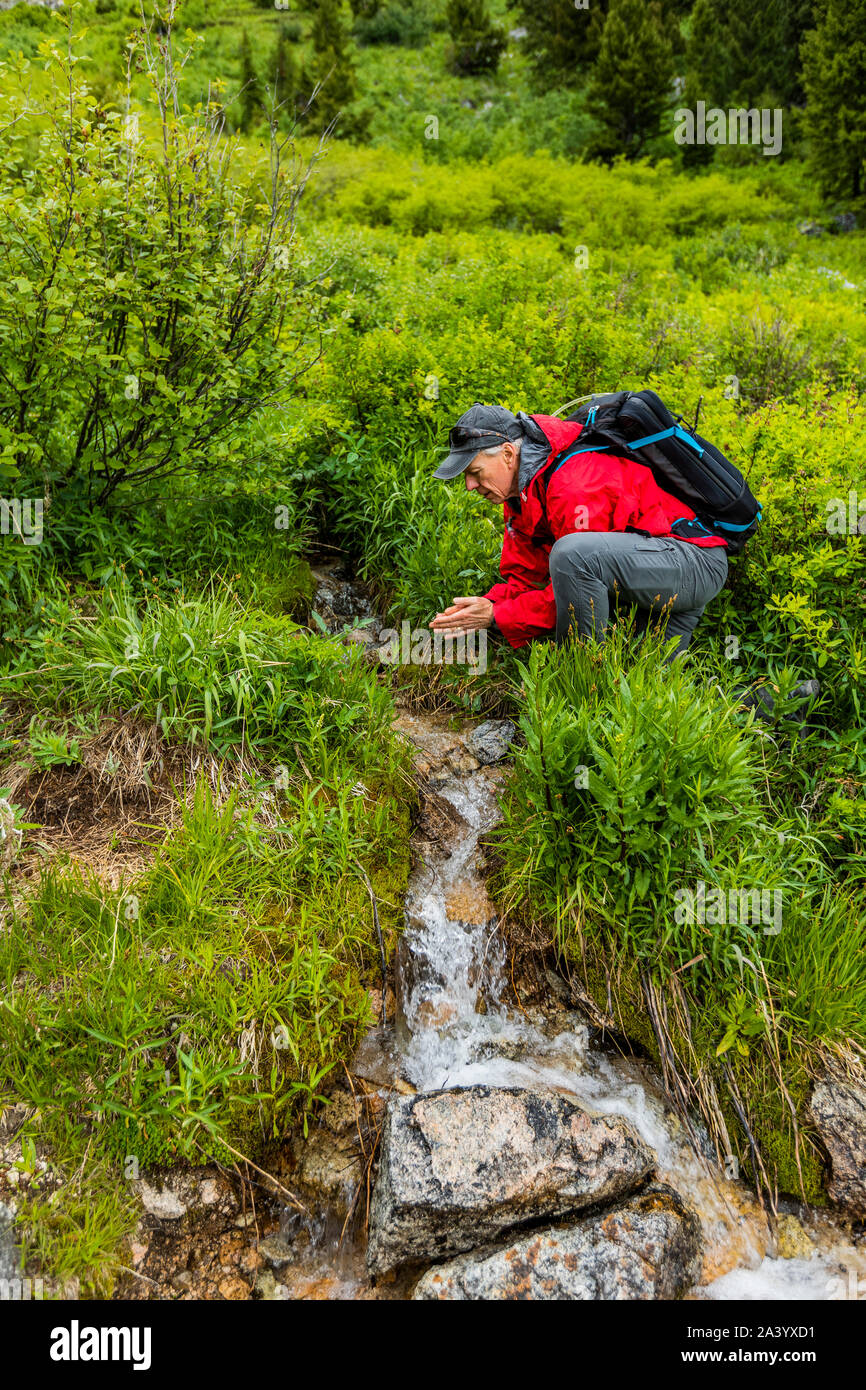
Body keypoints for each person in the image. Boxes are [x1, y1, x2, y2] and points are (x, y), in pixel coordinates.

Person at [429, 401, 730, 657]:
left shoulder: (572, 485)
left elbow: (574, 579)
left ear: (508, 454)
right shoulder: (521, 495)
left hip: (692, 563)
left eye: (475, 472)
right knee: (646, 693)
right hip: (651, 576)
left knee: (573, 555)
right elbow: (527, 579)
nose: (469, 486)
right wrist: (487, 606)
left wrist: (498, 616)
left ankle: (580, 676)